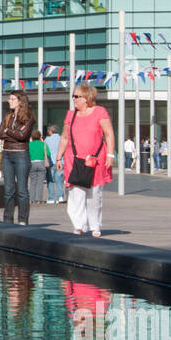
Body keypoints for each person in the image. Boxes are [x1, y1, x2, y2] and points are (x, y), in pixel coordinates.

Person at [56, 84, 116, 237]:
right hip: (73, 158)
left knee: (94, 194)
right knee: (76, 193)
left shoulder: (99, 112)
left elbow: (109, 134)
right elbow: (64, 137)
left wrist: (110, 155)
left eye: (77, 96)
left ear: (86, 98)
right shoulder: (70, 114)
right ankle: (79, 225)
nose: (74, 99)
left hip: (95, 159)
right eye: (73, 96)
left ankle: (95, 225)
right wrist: (58, 157)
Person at [0, 90, 35, 225]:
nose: (9, 101)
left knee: (22, 190)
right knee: (8, 189)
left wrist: (8, 131)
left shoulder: (29, 117)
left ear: (20, 101)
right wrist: (11, 132)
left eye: (12, 99)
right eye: (9, 99)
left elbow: (23, 136)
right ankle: (7, 219)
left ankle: (23, 219)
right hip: (7, 153)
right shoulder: (8, 115)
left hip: (21, 154)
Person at [28, 129, 48, 205]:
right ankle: (39, 200)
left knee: (33, 182)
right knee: (40, 183)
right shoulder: (43, 144)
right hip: (41, 163)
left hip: (32, 163)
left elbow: (27, 154)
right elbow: (48, 154)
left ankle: (31, 199)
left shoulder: (29, 144)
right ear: (40, 136)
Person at [45, 123, 64, 203]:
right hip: (61, 161)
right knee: (59, 180)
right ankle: (60, 197)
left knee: (50, 180)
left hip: (51, 162)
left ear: (50, 131)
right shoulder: (62, 139)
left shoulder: (47, 140)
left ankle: (51, 198)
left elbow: (45, 151)